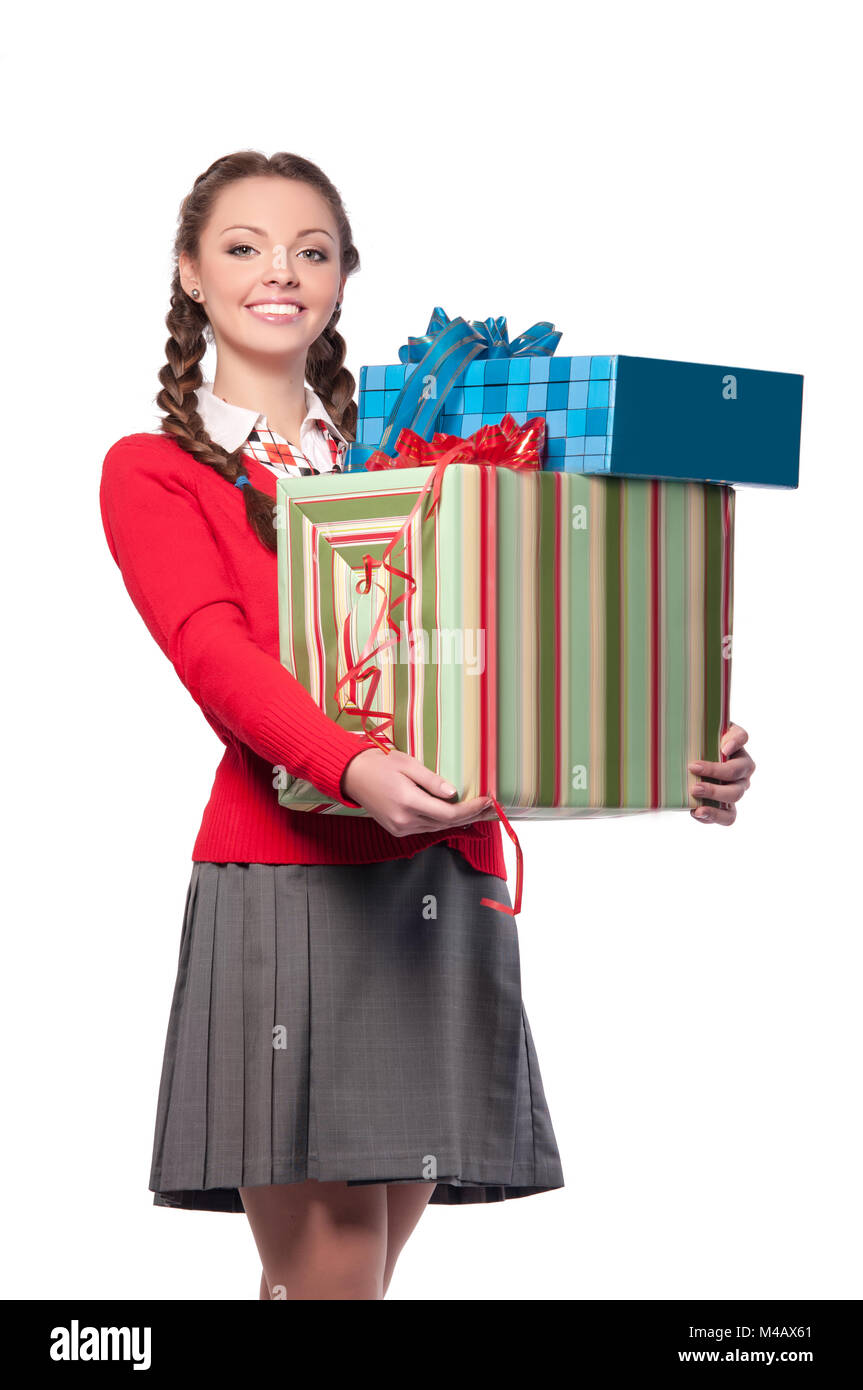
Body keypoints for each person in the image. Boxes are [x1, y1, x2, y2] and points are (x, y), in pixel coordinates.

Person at [100, 150, 757, 1301]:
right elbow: (213, 654)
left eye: (311, 250)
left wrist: (673, 736)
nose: (280, 272)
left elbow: (531, 635)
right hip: (291, 869)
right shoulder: (156, 470)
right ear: (191, 274)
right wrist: (349, 763)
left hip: (436, 870)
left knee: (338, 1269)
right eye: (244, 246)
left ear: (343, 277)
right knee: (339, 1253)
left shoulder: (415, 457)